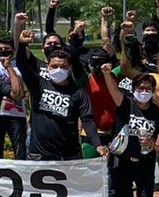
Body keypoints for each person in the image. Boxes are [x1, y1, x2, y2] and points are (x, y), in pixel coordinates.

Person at [14, 13, 107, 161]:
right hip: (39, 155)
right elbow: (22, 64)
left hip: (68, 156)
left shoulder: (78, 93)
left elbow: (87, 120)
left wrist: (98, 144)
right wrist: (22, 44)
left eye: (63, 67)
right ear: (48, 67)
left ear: (69, 68)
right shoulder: (38, 84)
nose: (58, 69)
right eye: (54, 66)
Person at [100, 67, 159, 197]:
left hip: (145, 161)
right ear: (134, 89)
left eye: (148, 88)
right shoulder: (125, 104)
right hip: (122, 161)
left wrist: (152, 141)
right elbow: (114, 91)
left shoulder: (154, 111)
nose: (144, 91)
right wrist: (107, 74)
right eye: (141, 88)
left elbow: (158, 132)